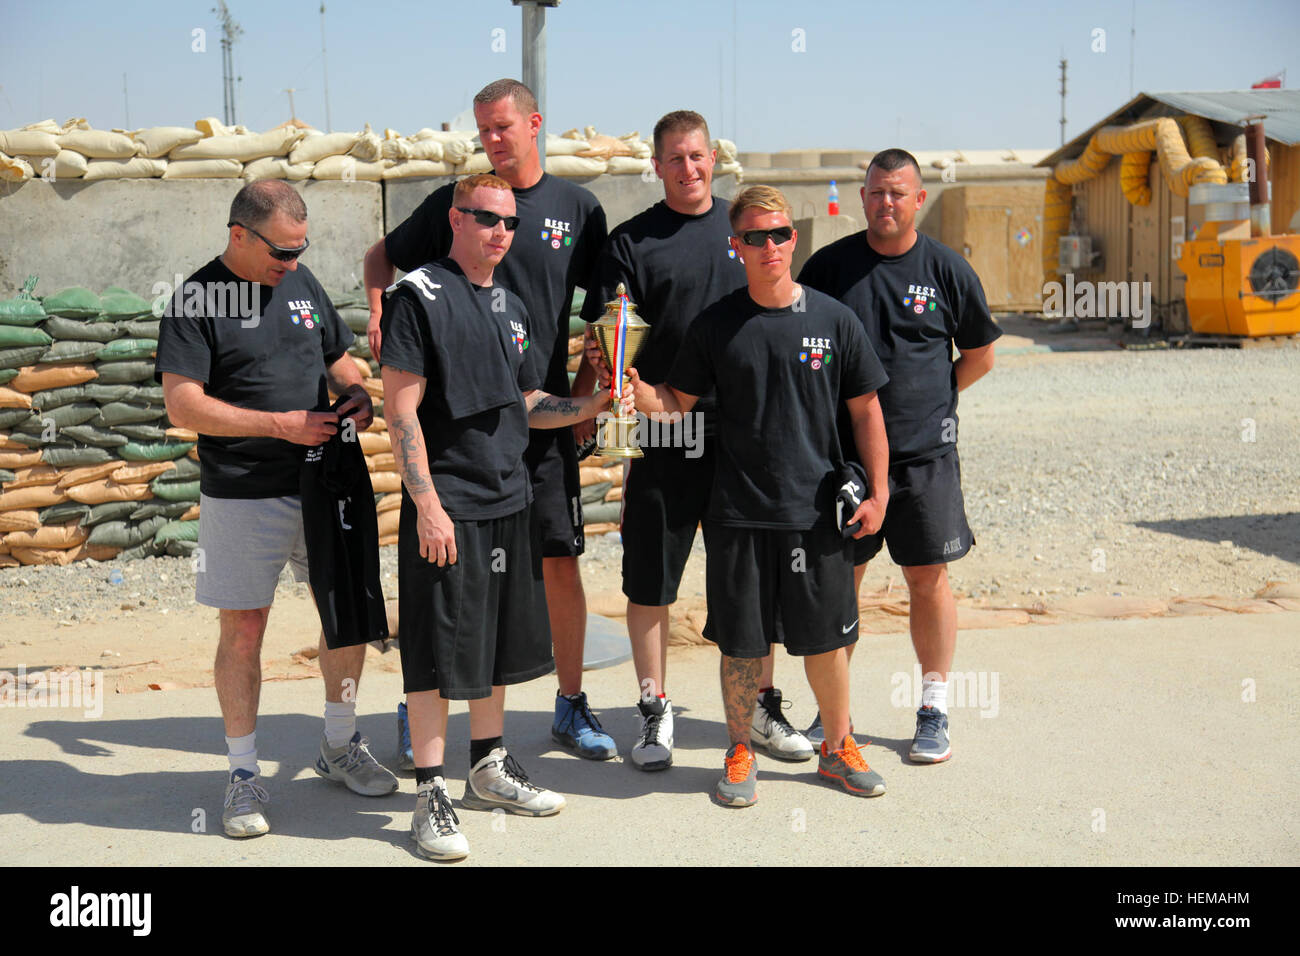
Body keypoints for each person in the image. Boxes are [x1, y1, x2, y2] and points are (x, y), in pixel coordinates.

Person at [364, 79, 615, 764]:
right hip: (460, 433)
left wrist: (593, 397)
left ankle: (564, 707)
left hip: (535, 415)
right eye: (483, 130)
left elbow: (606, 312)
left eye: (502, 127)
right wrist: (382, 311)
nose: (492, 139)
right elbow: (380, 259)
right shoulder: (455, 207)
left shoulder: (577, 208)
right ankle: (425, 720)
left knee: (553, 562)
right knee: (453, 577)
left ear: (534, 123)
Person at [381, 174, 626, 861]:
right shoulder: (417, 297)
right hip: (449, 506)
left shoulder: (511, 307)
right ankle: (430, 792)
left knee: (491, 646)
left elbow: (527, 402)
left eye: (510, 223)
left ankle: (487, 765)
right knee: (434, 651)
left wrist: (594, 405)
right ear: (454, 219)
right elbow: (401, 411)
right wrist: (426, 504)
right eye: (485, 218)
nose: (499, 233)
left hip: (509, 497)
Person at [629, 185, 891, 806]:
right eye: (754, 237)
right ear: (736, 245)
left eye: (778, 234)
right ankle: (740, 748)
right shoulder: (717, 325)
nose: (768, 246)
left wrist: (879, 492)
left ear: (794, 239)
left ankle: (837, 747)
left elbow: (868, 411)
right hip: (739, 513)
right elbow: (673, 405)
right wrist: (630, 385)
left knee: (826, 640)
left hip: (816, 513)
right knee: (743, 644)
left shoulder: (834, 319)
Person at [156, 180, 397, 839]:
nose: (292, 263)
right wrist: (278, 425)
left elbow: (339, 361)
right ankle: (241, 776)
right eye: (283, 252)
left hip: (324, 484)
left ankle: (339, 743)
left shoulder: (301, 281)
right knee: (243, 632)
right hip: (242, 490)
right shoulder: (195, 299)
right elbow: (183, 404)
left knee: (347, 618)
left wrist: (356, 395)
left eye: (301, 251)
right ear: (239, 234)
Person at [581, 110, 812, 770]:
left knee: (752, 586)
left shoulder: (744, 231)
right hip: (665, 431)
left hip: (746, 438)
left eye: (697, 156)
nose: (688, 168)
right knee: (651, 580)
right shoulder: (631, 243)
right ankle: (654, 711)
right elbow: (611, 339)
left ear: (716, 159)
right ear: (656, 166)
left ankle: (761, 706)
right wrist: (609, 387)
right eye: (674, 158)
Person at [796, 148, 1000, 762]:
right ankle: (833, 714)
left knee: (927, 578)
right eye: (876, 192)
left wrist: (932, 402)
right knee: (840, 584)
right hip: (847, 464)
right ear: (862, 198)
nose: (886, 202)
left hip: (923, 462)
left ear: (918, 200)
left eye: (898, 193)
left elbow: (981, 354)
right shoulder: (829, 268)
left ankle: (934, 706)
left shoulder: (946, 269)